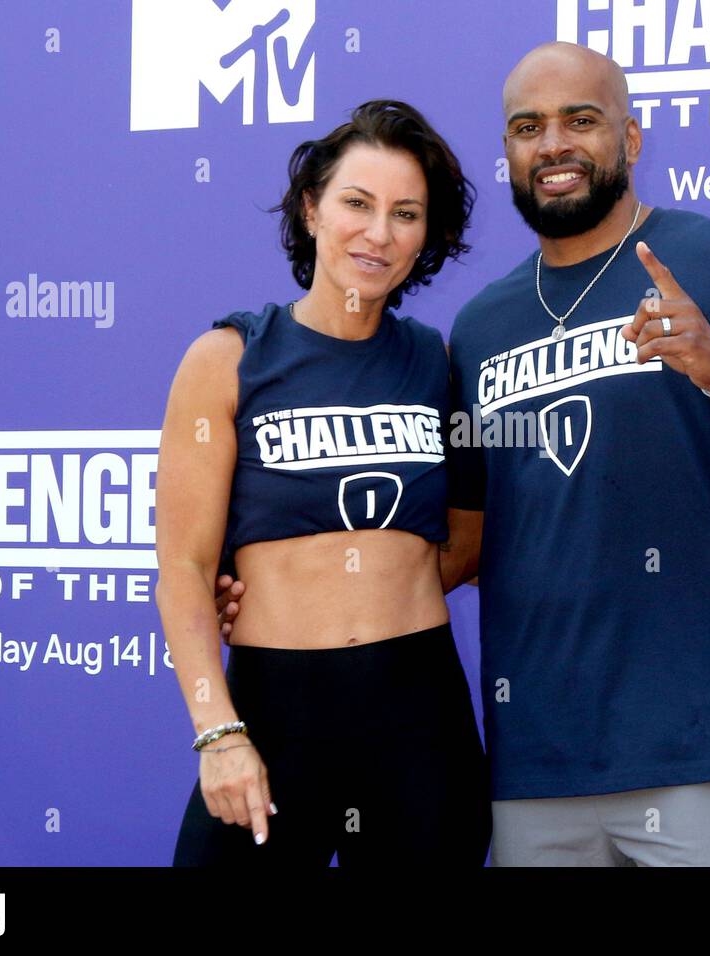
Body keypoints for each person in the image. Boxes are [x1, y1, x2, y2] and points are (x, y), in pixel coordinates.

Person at [220, 42, 710, 867]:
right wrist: (274, 588)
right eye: (529, 127)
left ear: (631, 140)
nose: (553, 144)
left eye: (581, 120)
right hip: (533, 769)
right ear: (509, 154)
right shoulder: (482, 327)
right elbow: (468, 541)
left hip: (705, 753)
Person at [156, 99, 490, 867]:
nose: (378, 233)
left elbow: (465, 542)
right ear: (311, 209)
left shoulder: (435, 364)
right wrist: (218, 731)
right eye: (357, 203)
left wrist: (375, 581)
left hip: (420, 721)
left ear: (425, 239)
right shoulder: (229, 357)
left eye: (406, 214)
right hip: (273, 718)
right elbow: (183, 568)